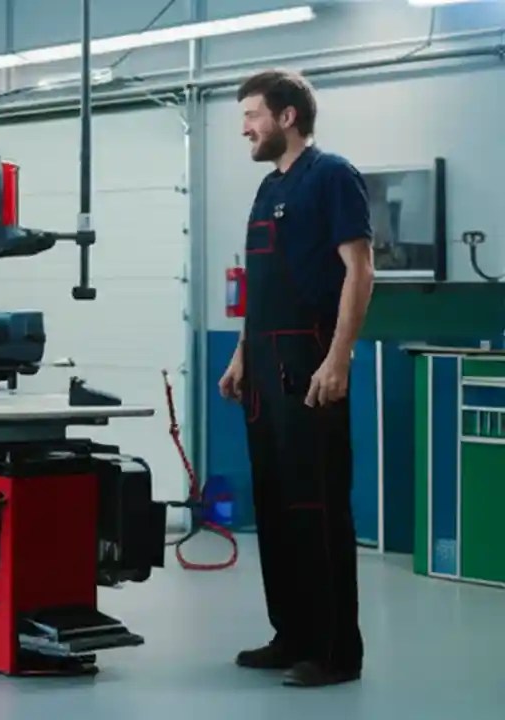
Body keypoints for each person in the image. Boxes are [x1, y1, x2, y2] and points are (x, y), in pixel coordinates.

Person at [218, 69, 375, 688]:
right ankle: (291, 635)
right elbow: (261, 284)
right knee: (277, 507)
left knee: (318, 507)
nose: (245, 129)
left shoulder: (332, 175)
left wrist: (339, 357)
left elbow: (360, 271)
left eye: (252, 115)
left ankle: (335, 652)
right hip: (263, 368)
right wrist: (241, 354)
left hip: (310, 364)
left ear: (287, 117)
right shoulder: (268, 187)